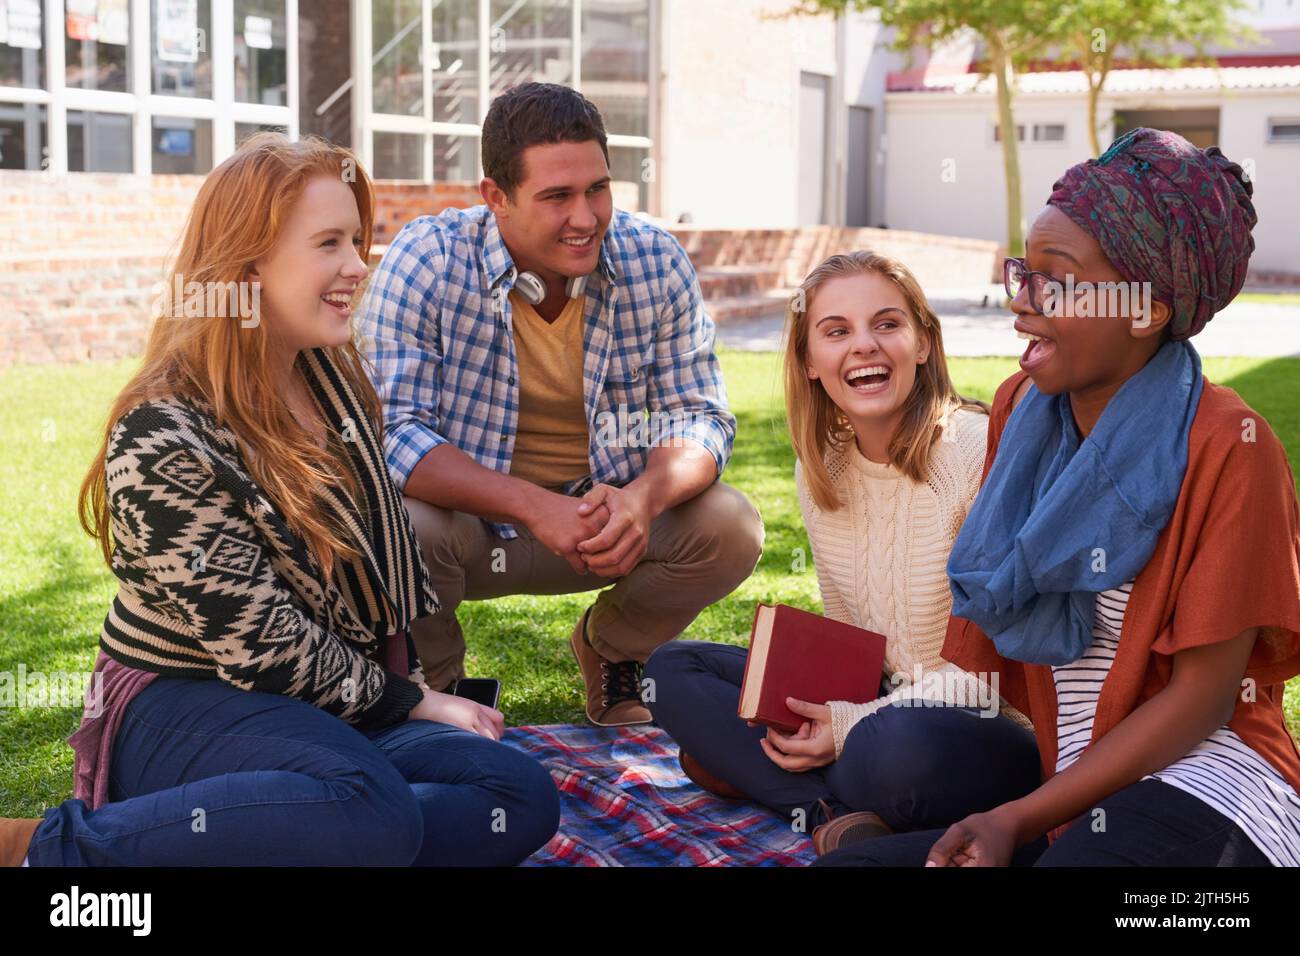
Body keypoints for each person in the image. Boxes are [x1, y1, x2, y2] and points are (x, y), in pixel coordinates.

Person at [0, 133, 559, 868]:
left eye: (358, 241)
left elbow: (366, 581)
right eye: (328, 242)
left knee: (518, 794)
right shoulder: (164, 433)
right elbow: (258, 643)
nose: (358, 266)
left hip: (321, 701)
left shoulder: (336, 383)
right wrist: (415, 703)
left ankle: (290, 836)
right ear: (245, 268)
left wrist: (406, 692)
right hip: (184, 699)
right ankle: (39, 850)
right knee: (372, 807)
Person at [816, 128, 1300, 868]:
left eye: (1057, 281)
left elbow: (1203, 700)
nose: (1022, 303)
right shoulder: (1023, 410)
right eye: (1023, 272)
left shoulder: (1230, 446)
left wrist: (1015, 818)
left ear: (1145, 310)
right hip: (1072, 783)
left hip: (1213, 784)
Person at [358, 82, 764, 727]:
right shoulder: (428, 260)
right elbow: (392, 433)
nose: (586, 217)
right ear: (496, 197)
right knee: (399, 520)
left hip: (608, 522)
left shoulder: (654, 260)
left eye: (597, 189)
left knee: (730, 525)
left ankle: (612, 652)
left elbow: (699, 415)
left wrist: (644, 498)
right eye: (556, 197)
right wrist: (532, 505)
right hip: (471, 529)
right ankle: (441, 693)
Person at [645, 251, 1040, 854]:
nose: (865, 346)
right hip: (878, 702)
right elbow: (857, 645)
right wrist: (824, 712)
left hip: (982, 725)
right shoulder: (822, 465)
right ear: (809, 361)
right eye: (836, 331)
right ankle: (832, 810)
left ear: (924, 343)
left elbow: (993, 676)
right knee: (673, 670)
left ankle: (779, 778)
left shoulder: (975, 454)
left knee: (894, 752)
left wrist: (848, 727)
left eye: (887, 324)